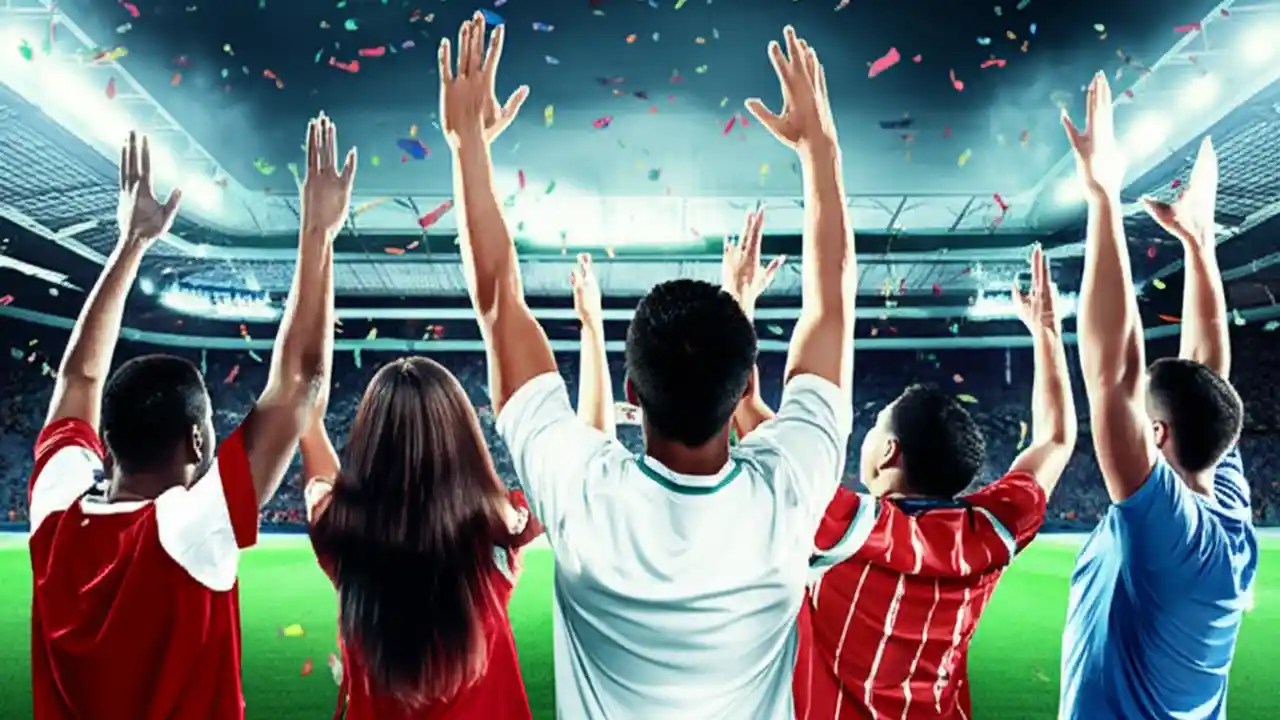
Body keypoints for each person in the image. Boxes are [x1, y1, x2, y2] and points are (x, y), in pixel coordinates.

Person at [440, 13, 856, 718]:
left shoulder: (582, 492)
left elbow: (497, 298)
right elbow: (833, 298)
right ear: (748, 391)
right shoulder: (790, 488)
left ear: (630, 394)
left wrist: (466, 146)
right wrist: (821, 150)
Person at [26, 116, 350, 718]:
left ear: (107, 442)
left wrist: (130, 245)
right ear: (197, 439)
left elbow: (77, 379)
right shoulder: (188, 529)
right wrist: (318, 231)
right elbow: (302, 382)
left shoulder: (53, 515)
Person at [729, 217, 1078, 717]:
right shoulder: (992, 531)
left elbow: (747, 406)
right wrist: (1047, 332)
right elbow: (1057, 438)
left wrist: (739, 301)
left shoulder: (838, 526)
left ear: (889, 452)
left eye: (875, 429)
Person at [296, 254, 608, 719]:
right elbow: (590, 461)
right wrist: (592, 330)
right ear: (464, 440)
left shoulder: (338, 528)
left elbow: (303, 397)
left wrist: (318, 237)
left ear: (368, 443)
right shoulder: (501, 525)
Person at [1058, 73, 1255, 719]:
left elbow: (1112, 370)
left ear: (1160, 436)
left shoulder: (1174, 527)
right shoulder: (1218, 506)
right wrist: (1198, 247)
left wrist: (1103, 197)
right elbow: (1205, 372)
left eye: (1143, 420)